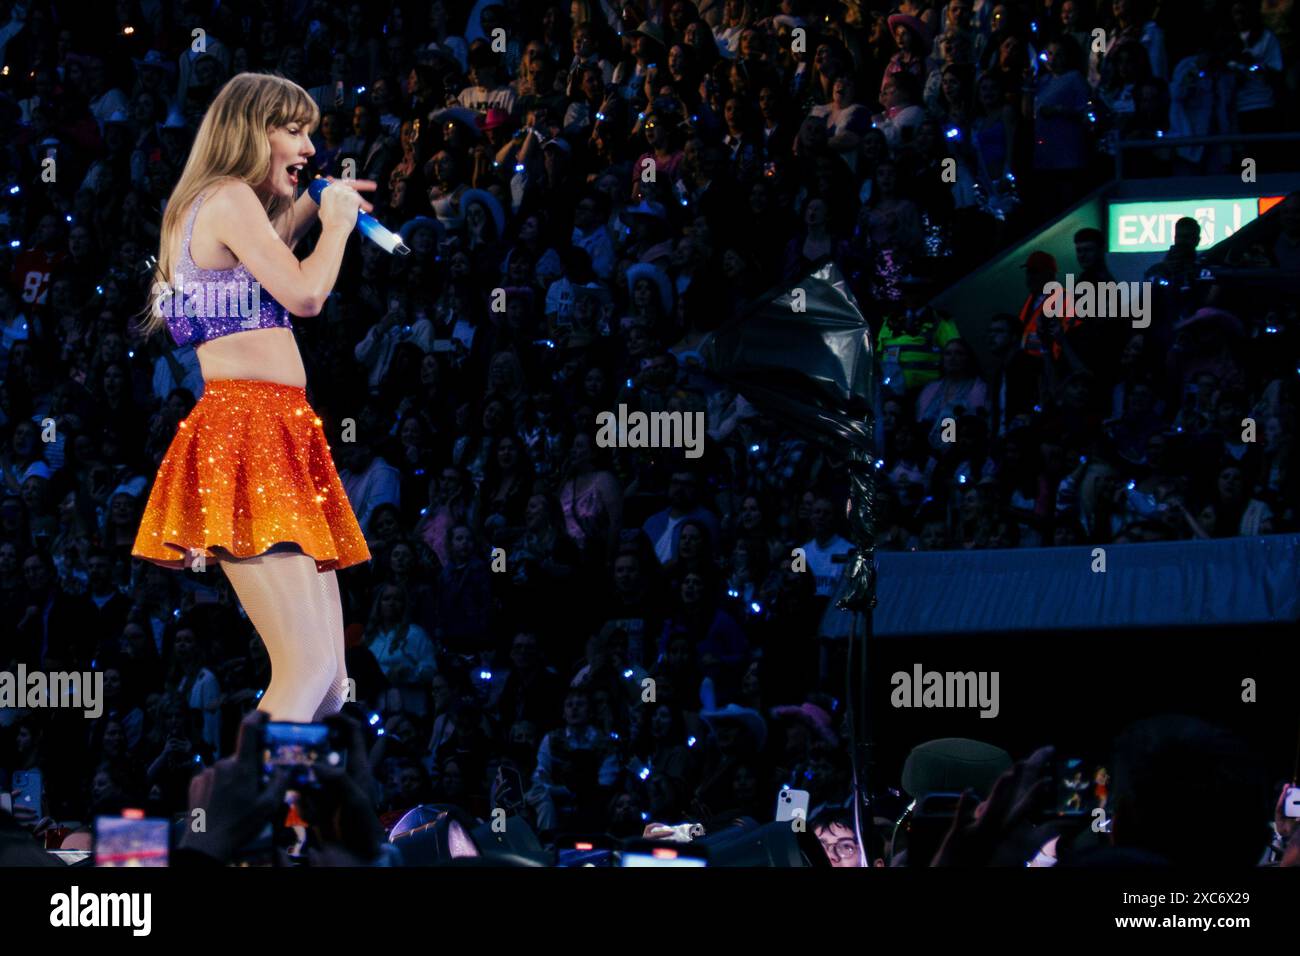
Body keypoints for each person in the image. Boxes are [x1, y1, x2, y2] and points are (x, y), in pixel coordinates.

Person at [130, 73, 374, 722]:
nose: (307, 147)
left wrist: (319, 206)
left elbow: (266, 259)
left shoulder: (206, 205)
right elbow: (304, 295)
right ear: (248, 129)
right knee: (310, 669)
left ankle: (292, 821)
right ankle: (248, 816)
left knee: (330, 682)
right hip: (252, 430)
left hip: (273, 428)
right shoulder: (230, 196)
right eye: (292, 130)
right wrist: (340, 227)